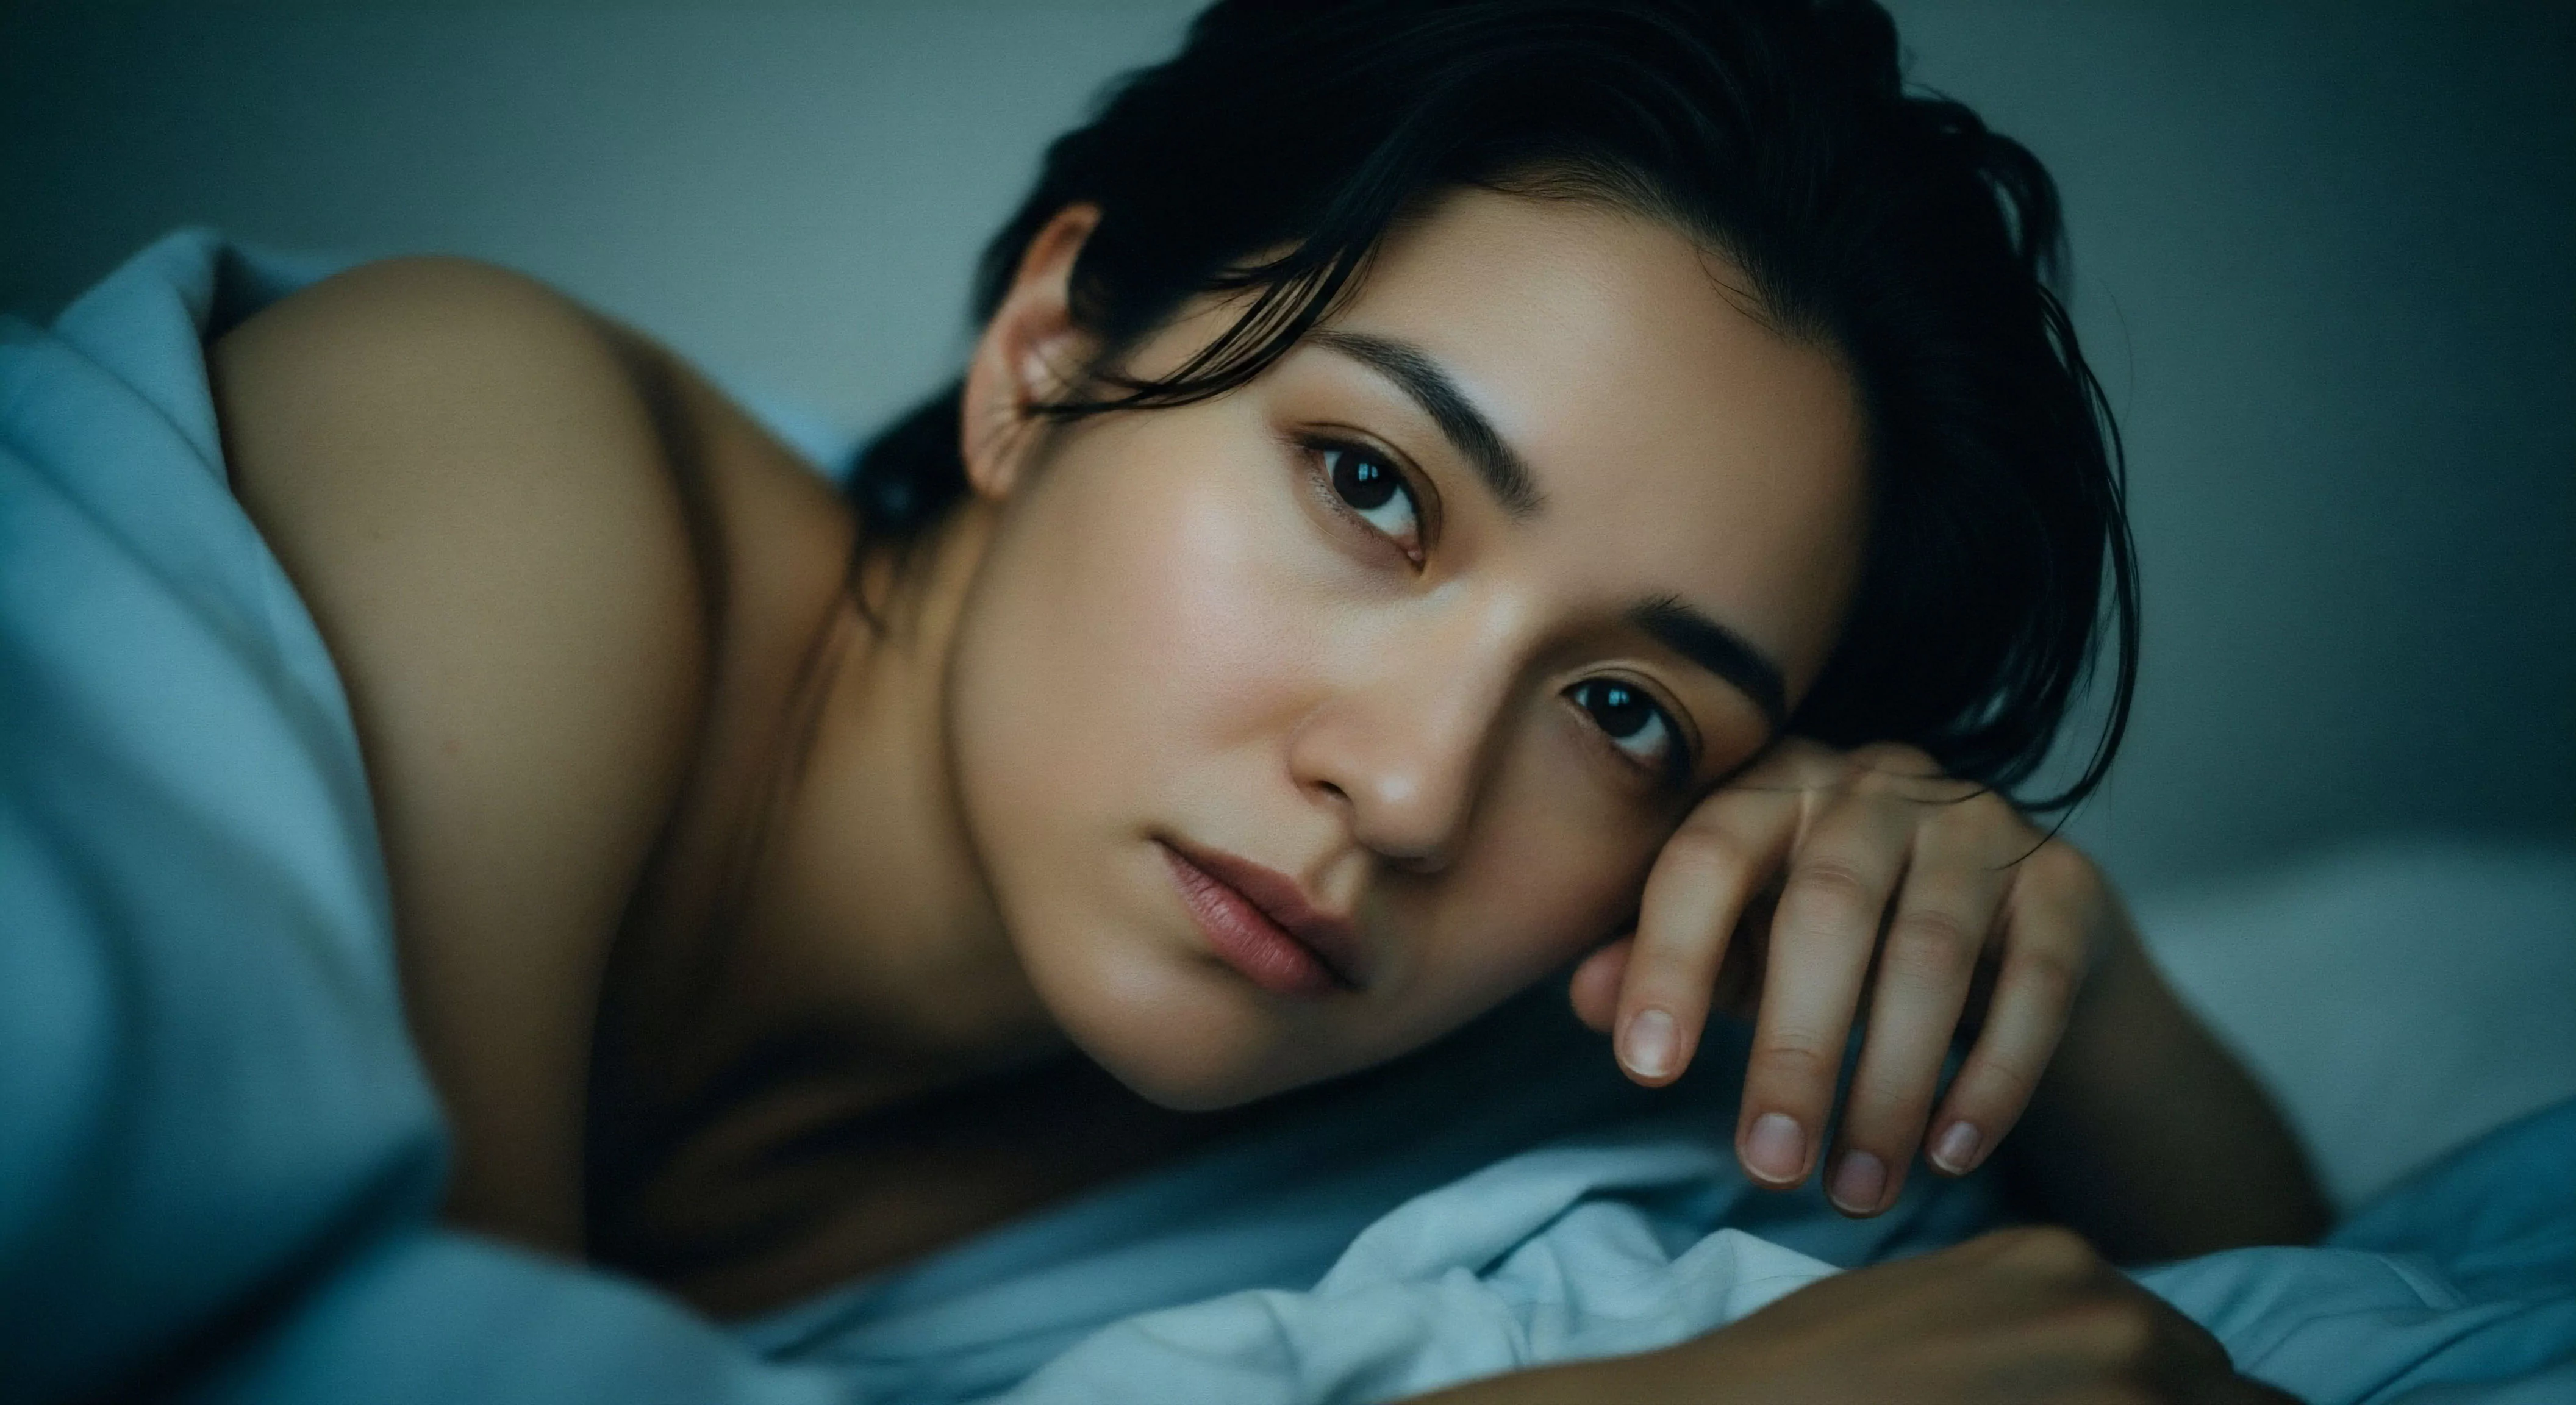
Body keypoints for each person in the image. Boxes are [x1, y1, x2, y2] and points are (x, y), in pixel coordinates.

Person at [195, 0, 2324, 1396]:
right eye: (1374, 488)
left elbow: (2328, 1321)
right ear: (1049, 352)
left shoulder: (1476, 1079)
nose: (1405, 793)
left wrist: (2070, 979)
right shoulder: (494, 466)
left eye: (1625, 710)